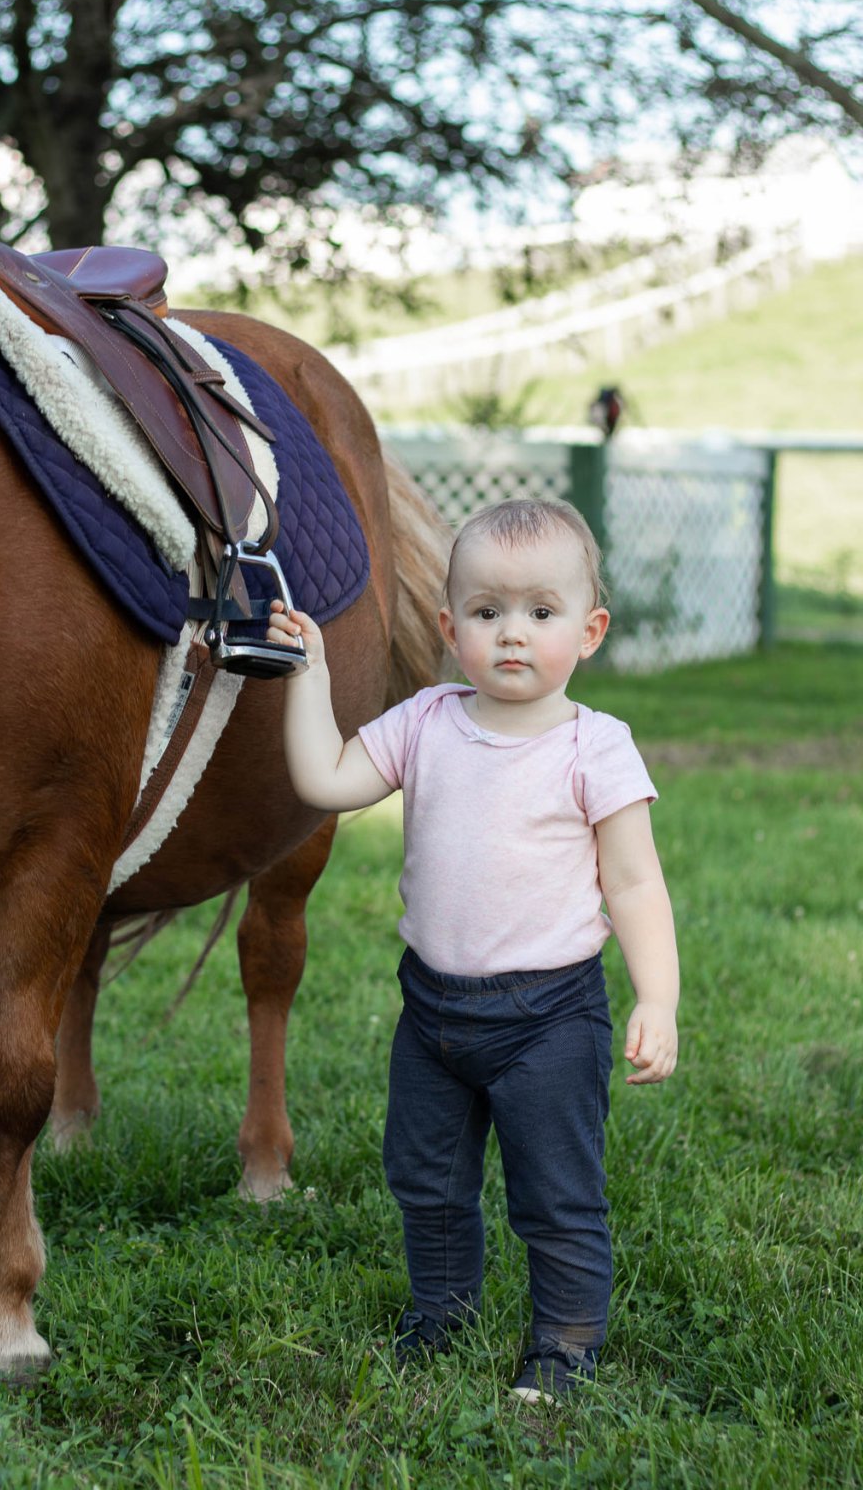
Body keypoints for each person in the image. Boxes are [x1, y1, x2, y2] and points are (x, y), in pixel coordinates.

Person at [266, 496, 679, 1405]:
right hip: (433, 1012)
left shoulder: (595, 748)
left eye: (542, 613)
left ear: (591, 629)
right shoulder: (424, 722)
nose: (514, 635)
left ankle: (564, 1346)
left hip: (549, 1020)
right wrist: (311, 672)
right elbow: (323, 779)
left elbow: (637, 884)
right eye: (488, 614)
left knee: (556, 1192)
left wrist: (657, 999)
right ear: (451, 628)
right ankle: (441, 1309)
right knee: (426, 1179)